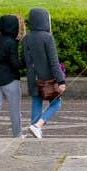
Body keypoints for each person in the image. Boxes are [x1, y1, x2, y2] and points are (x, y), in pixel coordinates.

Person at [22, 7, 65, 138]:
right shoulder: (47, 37)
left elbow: (24, 60)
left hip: (32, 77)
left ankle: (35, 128)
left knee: (36, 102)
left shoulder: (26, 38)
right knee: (57, 103)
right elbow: (53, 61)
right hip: (47, 78)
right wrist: (61, 80)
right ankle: (37, 126)